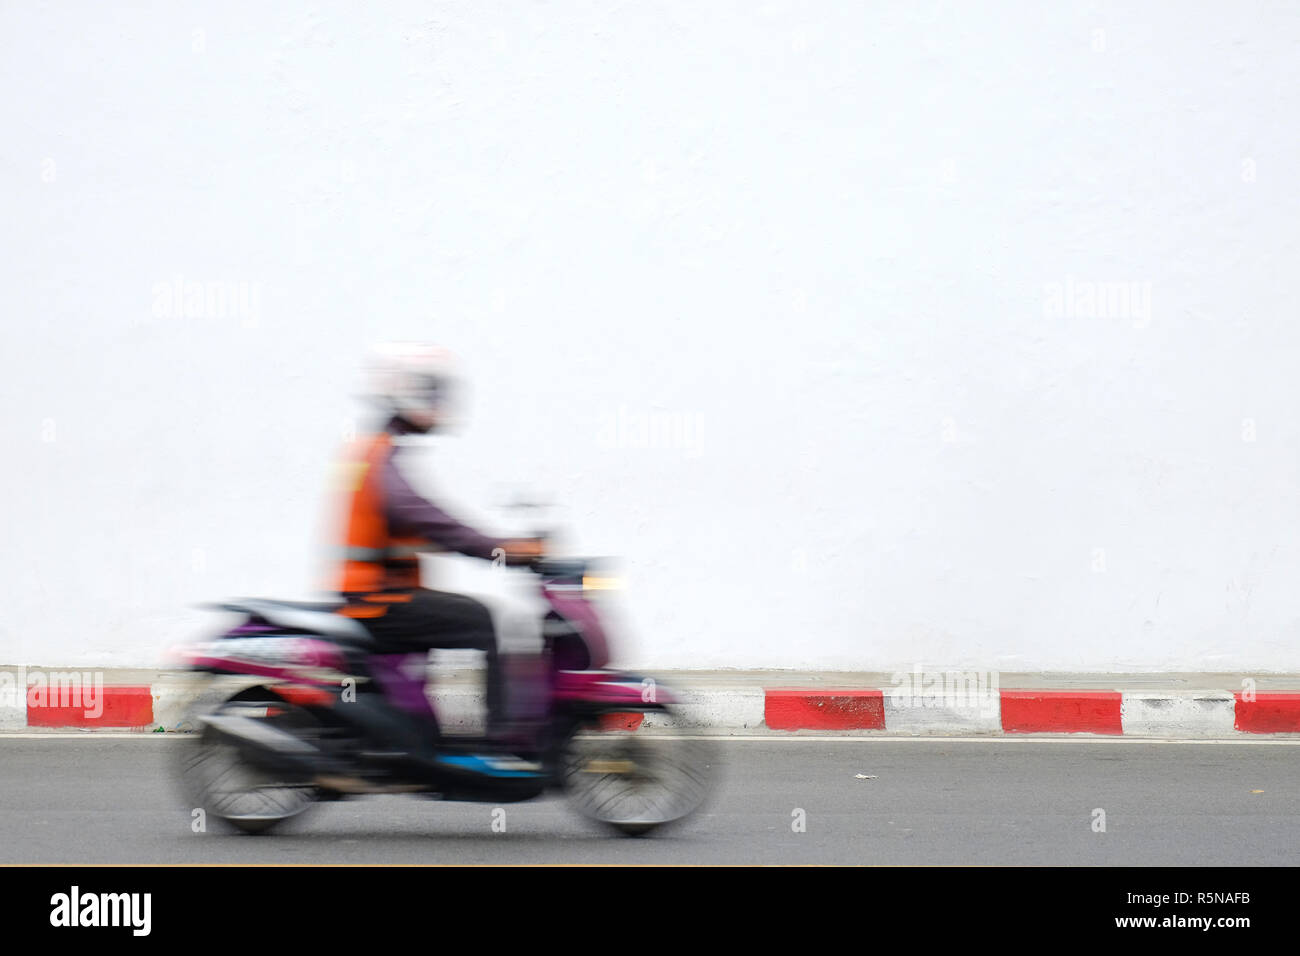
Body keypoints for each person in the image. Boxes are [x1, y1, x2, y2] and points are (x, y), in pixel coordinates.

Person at [331, 342, 544, 747]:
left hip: (377, 595)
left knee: (453, 616)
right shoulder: (382, 461)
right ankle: (503, 740)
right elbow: (432, 520)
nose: (439, 401)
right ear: (404, 391)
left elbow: (427, 524)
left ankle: (424, 734)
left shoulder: (377, 452)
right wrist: (505, 550)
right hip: (377, 600)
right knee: (484, 621)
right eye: (430, 390)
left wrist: (492, 545)